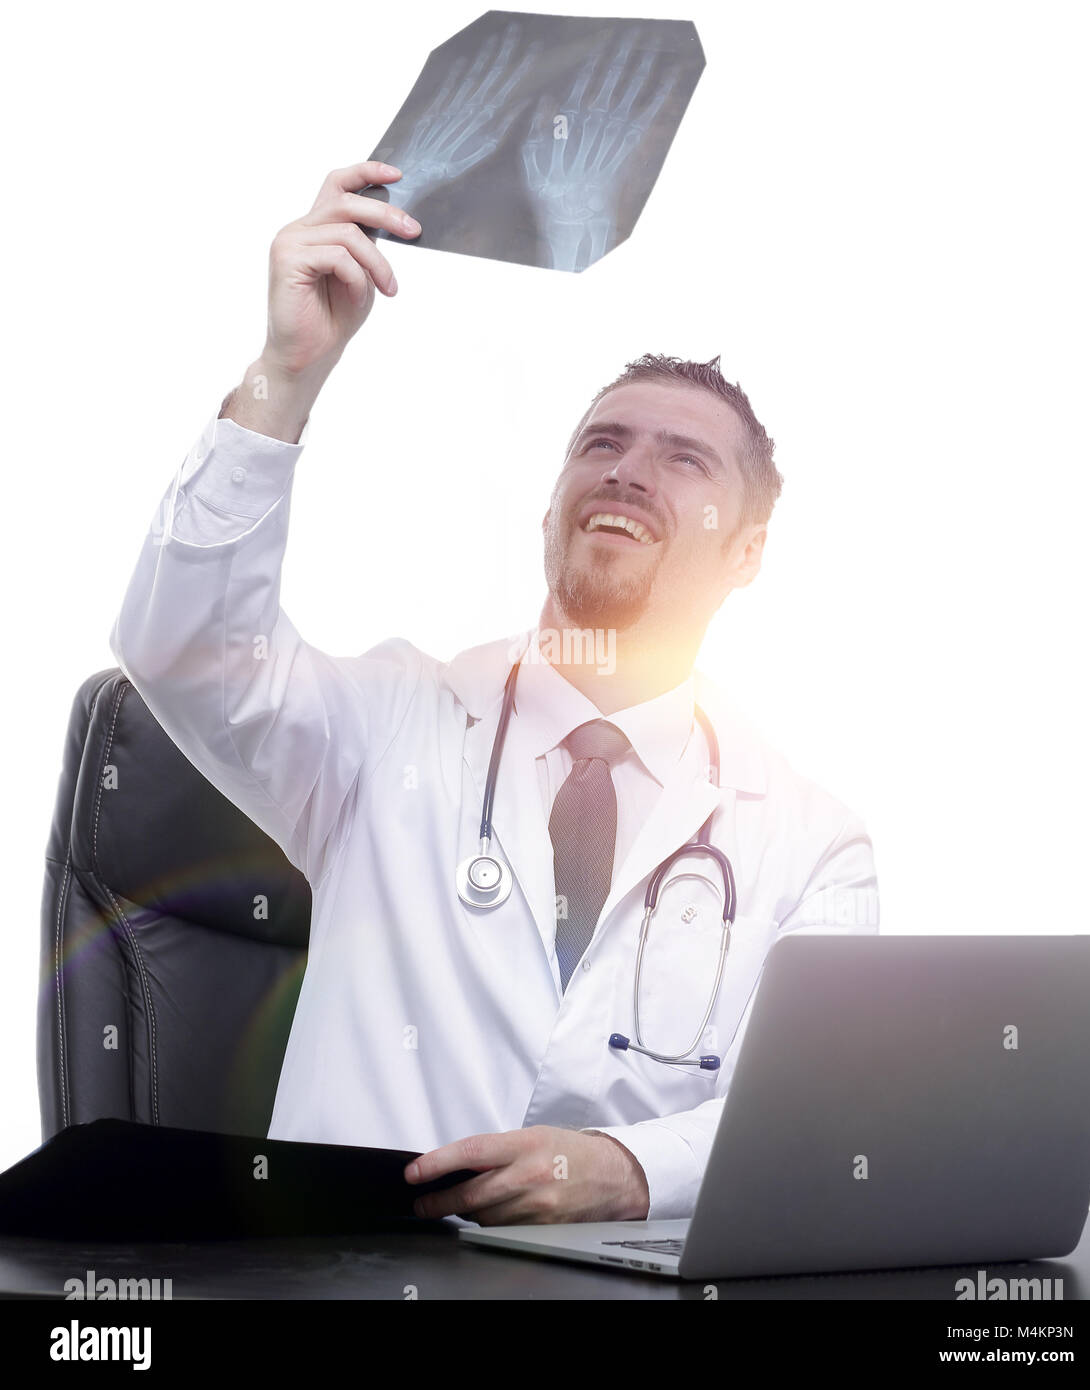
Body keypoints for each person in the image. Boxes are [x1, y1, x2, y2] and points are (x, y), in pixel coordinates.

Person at [109, 161, 879, 1227]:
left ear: (746, 550)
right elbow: (182, 648)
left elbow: (824, 1108)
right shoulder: (387, 722)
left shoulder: (809, 843)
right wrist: (285, 375)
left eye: (681, 458)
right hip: (352, 1281)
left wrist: (630, 1167)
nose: (624, 471)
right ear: (555, 498)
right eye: (599, 445)